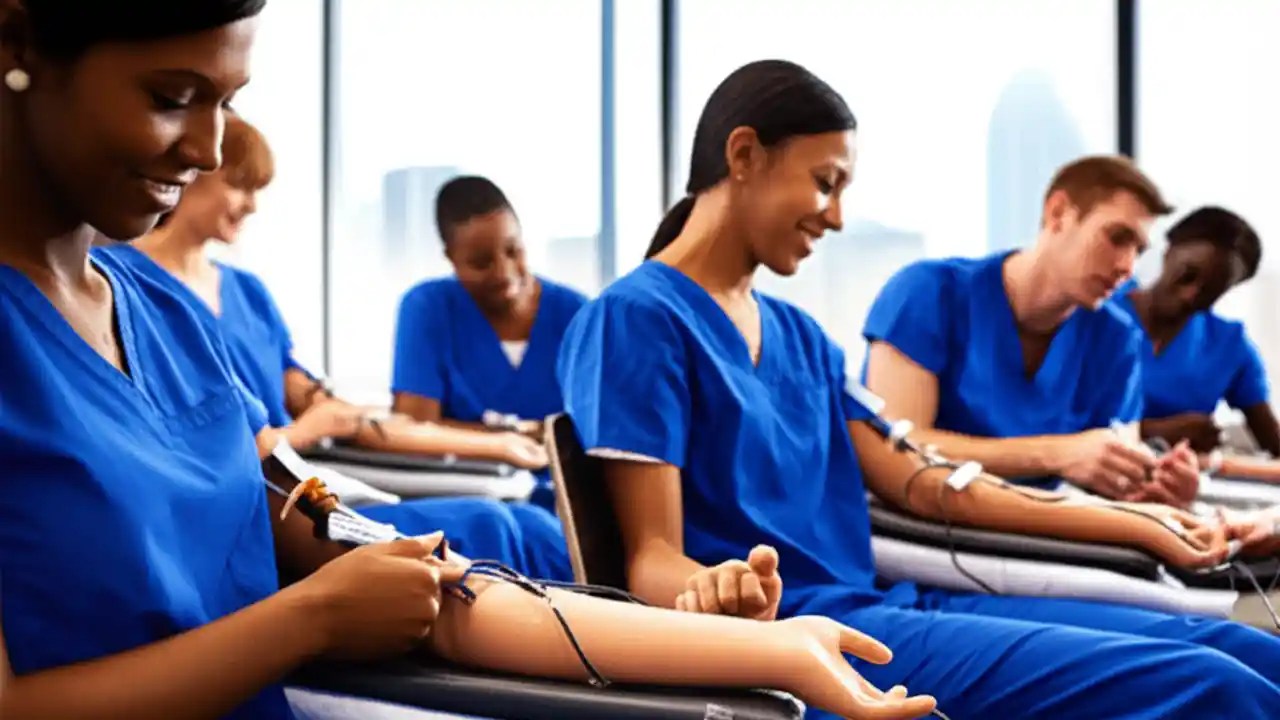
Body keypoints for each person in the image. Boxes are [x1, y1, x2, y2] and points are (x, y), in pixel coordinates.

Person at [0, 5, 941, 719]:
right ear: (18, 47)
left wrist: (773, 652)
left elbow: (392, 569)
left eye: (228, 105)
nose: (208, 151)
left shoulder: (163, 311)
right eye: (172, 99)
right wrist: (313, 618)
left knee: (510, 539)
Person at [556, 58, 1280, 719]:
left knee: (1245, 650)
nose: (836, 216)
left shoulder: (799, 335)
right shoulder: (636, 319)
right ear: (743, 155)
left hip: (885, 603)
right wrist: (711, 589)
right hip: (804, 632)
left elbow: (924, 481)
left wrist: (1143, 525)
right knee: (1212, 687)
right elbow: (648, 563)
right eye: (825, 182)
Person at [114, 115, 569, 581]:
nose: (251, 205)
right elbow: (177, 451)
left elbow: (342, 416)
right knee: (497, 525)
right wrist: (304, 432)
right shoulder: (122, 281)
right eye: (239, 185)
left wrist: (502, 446)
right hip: (258, 508)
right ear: (193, 168)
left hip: (306, 485)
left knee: (528, 521)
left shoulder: (248, 293)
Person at [861, 156, 1201, 507]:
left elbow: (1114, 471)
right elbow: (897, 446)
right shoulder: (928, 293)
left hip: (1033, 531)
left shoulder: (1116, 339)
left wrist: (1155, 488)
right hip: (921, 523)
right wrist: (1056, 454)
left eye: (1138, 251)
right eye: (1117, 238)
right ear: (1058, 214)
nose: (1127, 266)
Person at [391, 175, 588, 509]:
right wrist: (511, 438)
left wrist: (462, 432)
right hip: (464, 499)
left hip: (566, 504)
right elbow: (414, 427)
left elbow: (597, 432)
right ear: (451, 257)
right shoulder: (427, 308)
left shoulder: (576, 314)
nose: (503, 271)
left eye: (513, 250)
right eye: (481, 262)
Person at [1110, 206, 1279, 460]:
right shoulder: (1097, 312)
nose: (1190, 295)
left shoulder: (1230, 347)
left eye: (1212, 291)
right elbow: (1057, 421)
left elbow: (1273, 440)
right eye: (1187, 274)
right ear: (1169, 251)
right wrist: (1155, 432)